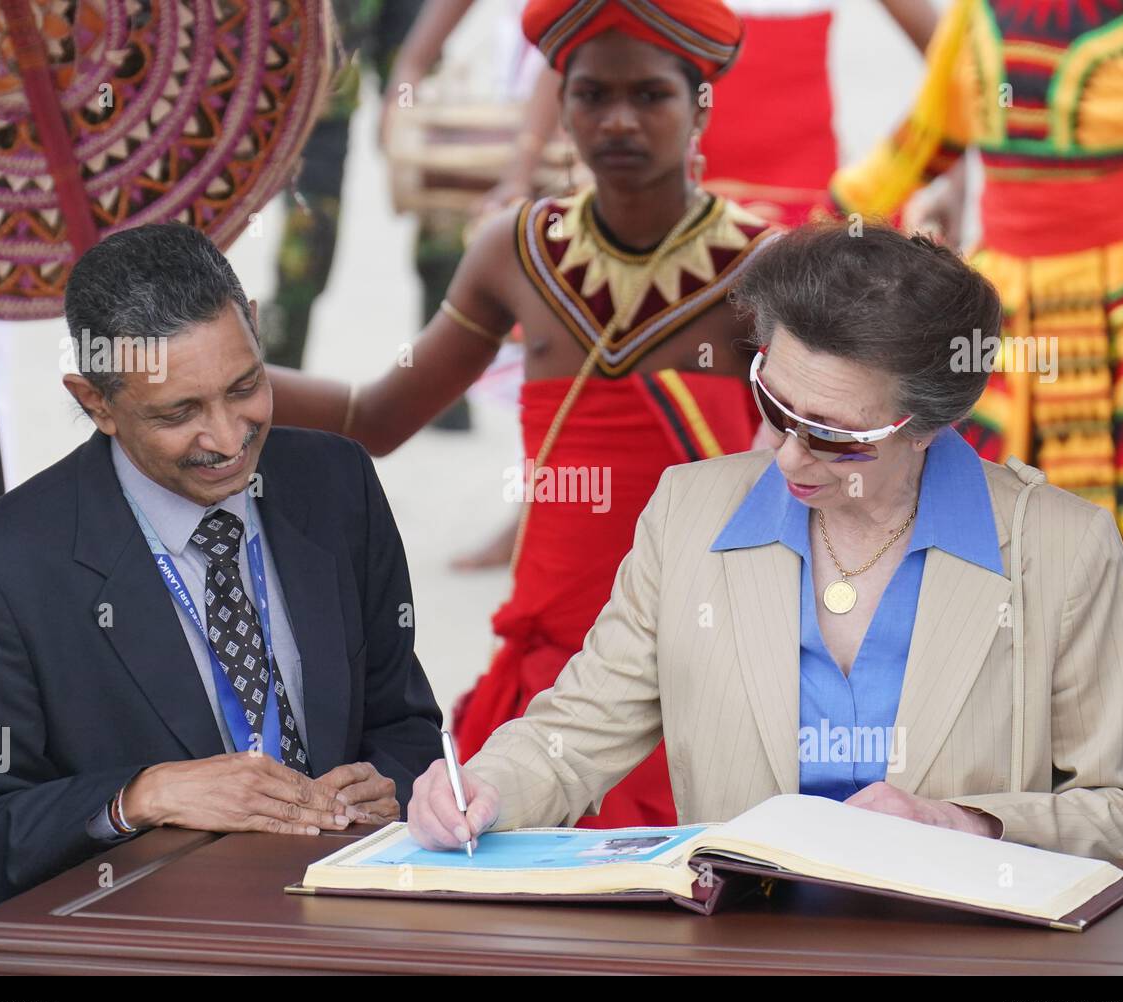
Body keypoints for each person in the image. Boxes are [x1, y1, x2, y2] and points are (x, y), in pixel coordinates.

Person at [406, 222, 1123, 862]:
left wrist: (967, 825)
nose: (787, 457)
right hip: (741, 946)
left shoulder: (1061, 548)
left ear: (931, 427)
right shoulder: (690, 513)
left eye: (835, 438)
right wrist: (484, 787)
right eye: (775, 408)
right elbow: (572, 734)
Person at [268, 0, 780, 828]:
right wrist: (231, 374)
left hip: (708, 650)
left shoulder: (765, 269)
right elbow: (377, 417)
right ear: (558, 104)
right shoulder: (517, 250)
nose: (617, 119)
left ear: (701, 107)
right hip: (556, 666)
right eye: (590, 94)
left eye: (650, 95)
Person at [0, 223, 443, 912]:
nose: (227, 439)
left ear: (254, 327)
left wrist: (389, 786)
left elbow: (404, 722)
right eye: (179, 413)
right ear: (94, 402)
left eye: (245, 386)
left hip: (348, 916)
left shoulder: (337, 484)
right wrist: (140, 798)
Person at [830, 0, 1123, 754]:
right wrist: (826, 235)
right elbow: (926, 140)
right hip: (999, 334)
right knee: (983, 554)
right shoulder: (979, 16)